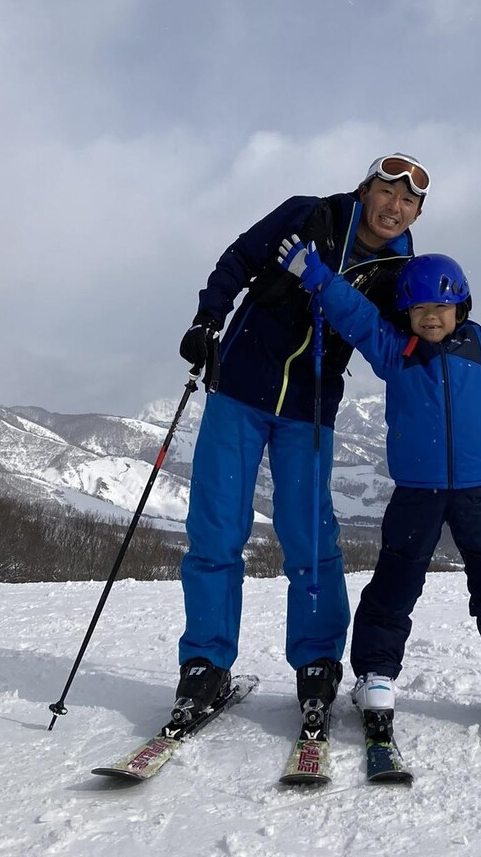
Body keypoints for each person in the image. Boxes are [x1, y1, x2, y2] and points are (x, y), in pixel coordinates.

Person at [276, 234, 481, 724]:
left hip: (478, 494)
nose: (431, 316)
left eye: (442, 306)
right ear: (405, 314)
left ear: (460, 307)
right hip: (416, 495)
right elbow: (357, 316)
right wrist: (319, 278)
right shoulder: (395, 350)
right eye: (419, 308)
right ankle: (376, 673)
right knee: (395, 583)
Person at [170, 153, 429, 726]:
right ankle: (205, 666)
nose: (396, 207)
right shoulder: (309, 215)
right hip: (237, 391)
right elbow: (239, 257)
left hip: (309, 411)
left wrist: (479, 342)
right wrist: (208, 317)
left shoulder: (400, 268)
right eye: (389, 192)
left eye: (409, 202)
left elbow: (422, 324)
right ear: (364, 190)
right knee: (215, 531)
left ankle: (317, 662)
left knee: (310, 538)